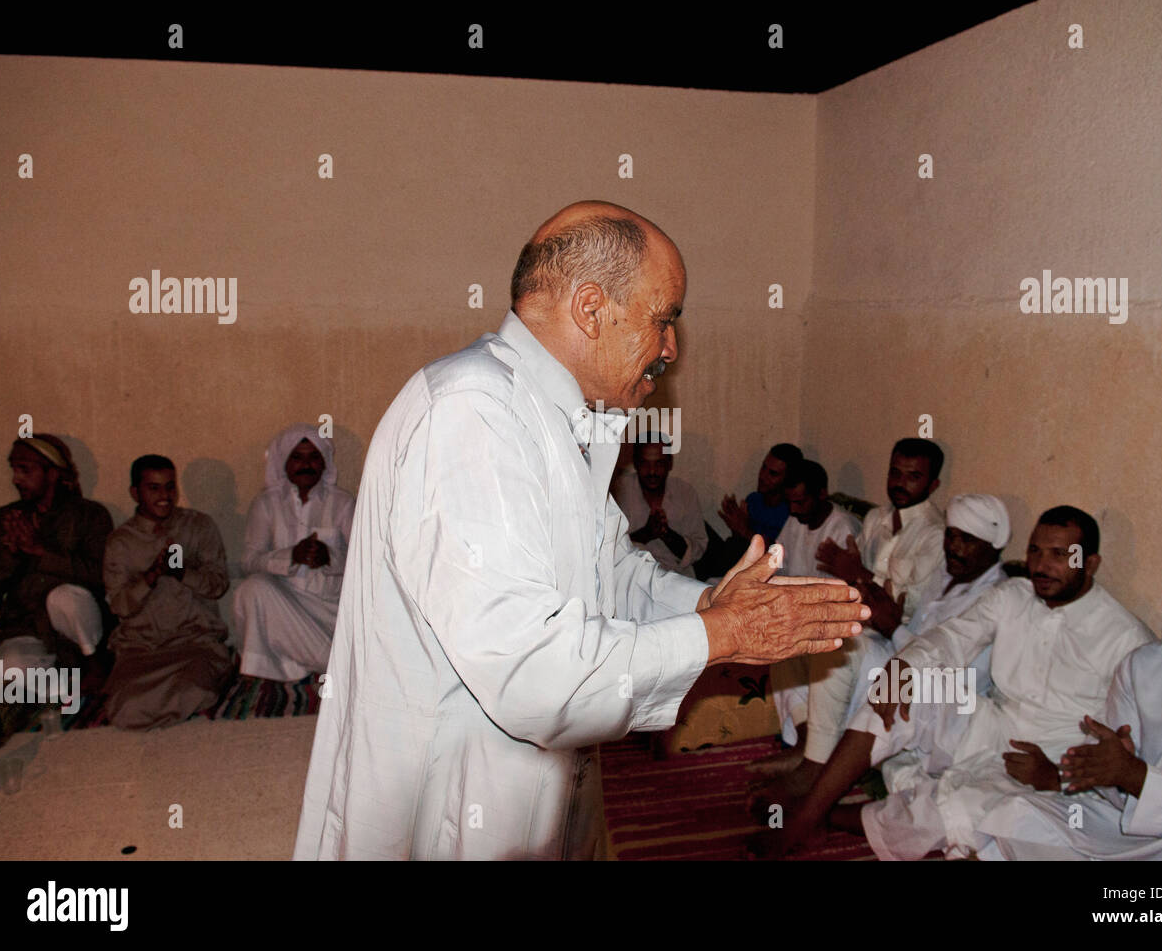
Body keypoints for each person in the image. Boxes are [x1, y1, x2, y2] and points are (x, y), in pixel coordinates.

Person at [293, 200, 871, 860]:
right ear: (591, 309)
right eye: (664, 319)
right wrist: (722, 634)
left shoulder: (560, 420)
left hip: (531, 786)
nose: (670, 349)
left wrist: (708, 604)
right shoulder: (472, 414)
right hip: (452, 802)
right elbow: (532, 672)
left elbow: (611, 574)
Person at [753, 505, 1155, 860]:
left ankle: (826, 815)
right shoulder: (1015, 594)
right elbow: (952, 638)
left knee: (963, 811)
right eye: (1034, 550)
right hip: (994, 723)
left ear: (1093, 562)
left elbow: (1124, 748)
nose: (1041, 565)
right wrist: (905, 666)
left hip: (1049, 757)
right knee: (899, 687)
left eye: (1059, 555)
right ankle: (807, 816)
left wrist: (1057, 775)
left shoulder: (1127, 639)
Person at [978, 541, 1162, 860]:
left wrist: (1136, 776)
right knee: (1017, 814)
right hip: (1120, 829)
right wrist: (1108, 772)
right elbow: (1112, 784)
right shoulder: (1143, 666)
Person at [752, 438, 946, 800]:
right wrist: (856, 578)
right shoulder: (875, 519)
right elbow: (853, 583)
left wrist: (858, 574)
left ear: (933, 484)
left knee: (835, 644)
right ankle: (807, 744)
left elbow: (899, 611)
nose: (900, 483)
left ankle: (813, 769)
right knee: (787, 633)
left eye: (913, 476)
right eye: (895, 473)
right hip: (862, 621)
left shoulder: (935, 536)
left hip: (899, 644)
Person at [0, 436, 113, 739]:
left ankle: (94, 668)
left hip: (79, 629)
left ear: (52, 473)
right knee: (8, 666)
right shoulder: (4, 518)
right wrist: (12, 554)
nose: (16, 479)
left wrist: (41, 552)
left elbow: (102, 575)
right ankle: (74, 690)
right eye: (14, 469)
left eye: (25, 470)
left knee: (62, 597)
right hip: (27, 629)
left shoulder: (90, 515)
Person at [101, 456, 233, 729]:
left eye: (170, 487)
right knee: (125, 709)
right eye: (154, 488)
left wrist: (182, 572)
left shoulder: (199, 526)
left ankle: (211, 679)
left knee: (194, 691)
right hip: (141, 649)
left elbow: (219, 585)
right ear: (135, 493)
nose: (165, 496)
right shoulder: (120, 542)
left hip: (194, 643)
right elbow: (119, 606)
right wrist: (150, 577)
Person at [756, 460, 862, 770]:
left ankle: (808, 746)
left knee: (789, 642)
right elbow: (778, 566)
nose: (794, 508)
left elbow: (843, 595)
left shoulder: (843, 529)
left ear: (823, 494)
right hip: (798, 612)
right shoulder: (796, 519)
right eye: (790, 501)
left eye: (801, 501)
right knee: (774, 642)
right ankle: (803, 740)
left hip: (831, 620)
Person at [233, 425, 355, 681]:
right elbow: (249, 562)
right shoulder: (266, 504)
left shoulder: (343, 503)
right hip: (283, 606)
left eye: (313, 457)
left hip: (331, 611)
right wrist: (291, 556)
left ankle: (332, 663)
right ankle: (339, 666)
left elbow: (366, 562)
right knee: (251, 589)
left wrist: (330, 558)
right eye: (297, 457)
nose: (306, 464)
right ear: (284, 463)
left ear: (324, 463)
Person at [612, 431, 707, 577]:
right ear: (636, 463)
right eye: (645, 463)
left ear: (670, 463)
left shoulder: (685, 493)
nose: (652, 471)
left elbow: (699, 549)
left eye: (659, 463)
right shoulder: (619, 491)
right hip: (632, 578)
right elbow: (608, 548)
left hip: (677, 577)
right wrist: (645, 534)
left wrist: (667, 534)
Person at [719, 443, 803, 547]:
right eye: (763, 467)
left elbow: (780, 556)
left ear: (788, 479)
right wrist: (735, 525)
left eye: (773, 474)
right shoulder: (753, 500)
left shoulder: (792, 512)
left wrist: (745, 531)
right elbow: (740, 544)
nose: (763, 476)